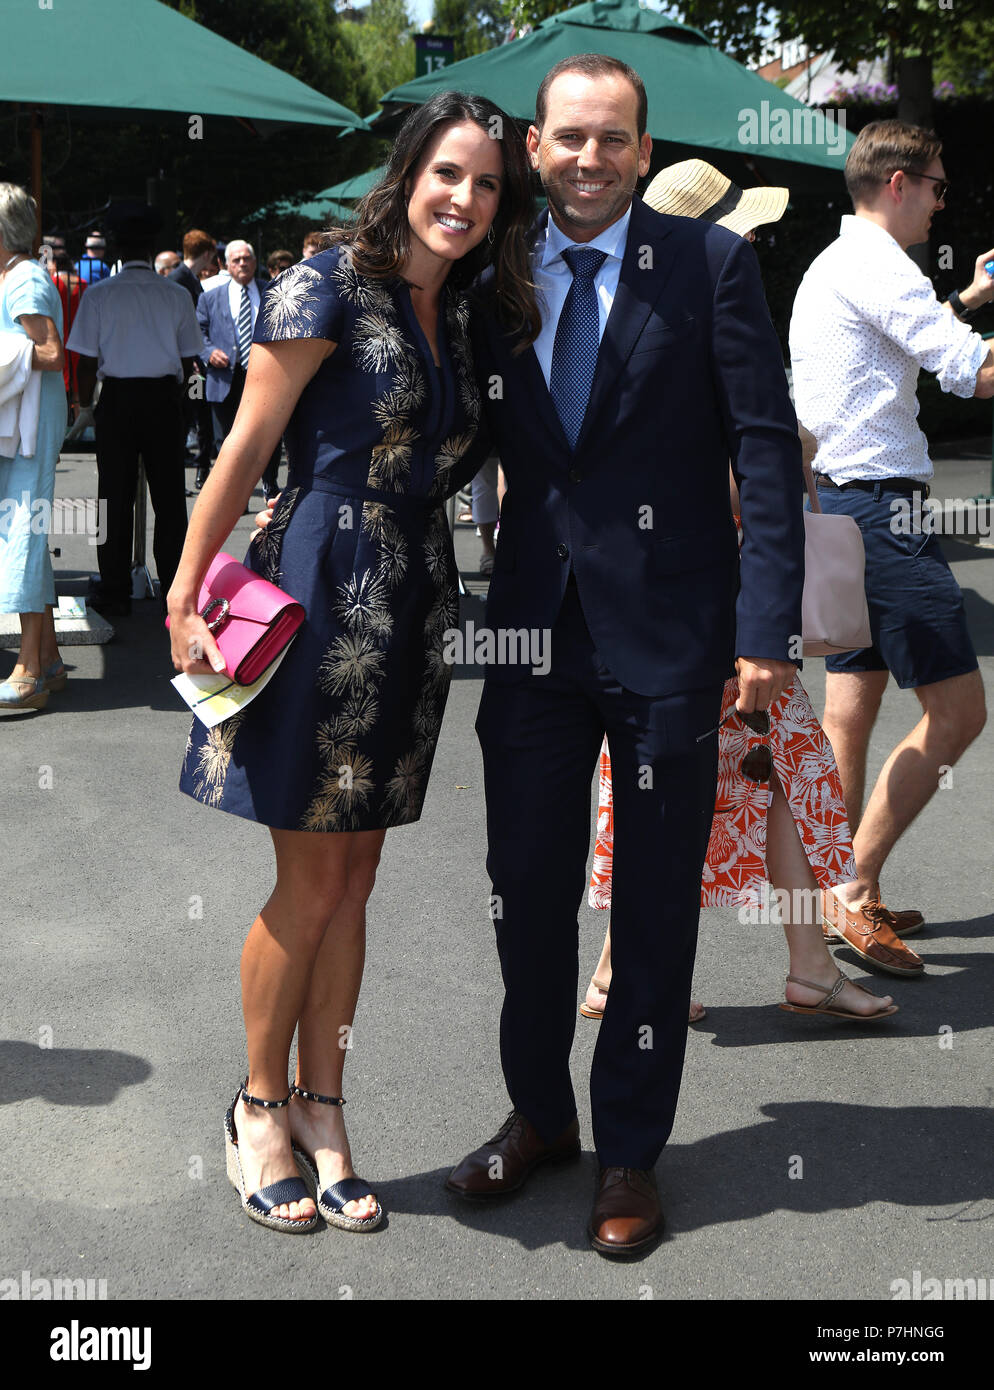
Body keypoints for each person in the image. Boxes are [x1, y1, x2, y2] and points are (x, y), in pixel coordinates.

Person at [443, 55, 805, 1258]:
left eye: (614, 139)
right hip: (530, 636)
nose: (590, 158)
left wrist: (763, 633)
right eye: (569, 139)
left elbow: (763, 452)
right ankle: (540, 1113)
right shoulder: (490, 280)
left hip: (674, 644)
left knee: (652, 908)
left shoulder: (709, 266)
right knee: (527, 892)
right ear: (533, 150)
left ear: (643, 152)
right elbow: (447, 435)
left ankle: (631, 1155)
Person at [167, 92, 537, 1233]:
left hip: (415, 601)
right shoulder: (325, 281)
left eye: (485, 184)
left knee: (360, 879)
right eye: (448, 175)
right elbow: (247, 442)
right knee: (310, 879)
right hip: (321, 592)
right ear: (408, 171)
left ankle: (327, 1105)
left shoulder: (469, 314)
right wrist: (186, 588)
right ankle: (258, 1108)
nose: (464, 200)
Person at [581, 160, 897, 1027]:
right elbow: (723, 479)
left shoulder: (663, 306)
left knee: (764, 780)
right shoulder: (690, 313)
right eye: (743, 230)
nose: (753, 242)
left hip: (711, 610)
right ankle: (632, 969)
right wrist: (785, 447)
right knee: (697, 784)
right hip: (711, 612)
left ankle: (795, 964)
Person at [789, 119, 994, 970]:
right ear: (900, 182)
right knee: (959, 711)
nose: (943, 203)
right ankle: (852, 888)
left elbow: (894, 349)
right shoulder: (880, 265)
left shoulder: (842, 263)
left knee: (850, 707)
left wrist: (969, 302)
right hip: (882, 514)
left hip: (838, 506)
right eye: (940, 186)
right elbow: (967, 372)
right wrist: (969, 332)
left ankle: (844, 893)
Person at [67, 204, 203, 618]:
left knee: (114, 497)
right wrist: (175, 398)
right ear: (152, 247)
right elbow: (187, 360)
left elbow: (87, 363)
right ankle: (175, 593)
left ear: (116, 249)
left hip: (119, 400)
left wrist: (85, 406)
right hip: (162, 400)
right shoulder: (176, 293)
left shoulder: (99, 293)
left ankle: (114, 588)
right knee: (169, 501)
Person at [0, 184, 69, 710]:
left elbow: (48, 351)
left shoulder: (24, 277)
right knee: (27, 532)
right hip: (21, 426)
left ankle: (29, 670)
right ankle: (46, 658)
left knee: (23, 531)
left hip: (29, 429)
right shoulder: (18, 275)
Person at [196, 240, 281, 497]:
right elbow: (197, 333)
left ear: (255, 263)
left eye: (247, 259)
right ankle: (235, 493)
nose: (242, 263)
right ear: (226, 265)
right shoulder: (210, 298)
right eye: (237, 260)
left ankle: (270, 484)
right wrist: (209, 353)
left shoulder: (272, 292)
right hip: (225, 378)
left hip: (264, 376)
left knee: (269, 434)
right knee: (230, 439)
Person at [169, 230, 216, 487]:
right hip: (190, 366)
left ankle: (201, 468)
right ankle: (198, 468)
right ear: (207, 253)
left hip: (192, 364)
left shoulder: (185, 277)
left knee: (198, 415)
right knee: (193, 415)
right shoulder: (181, 280)